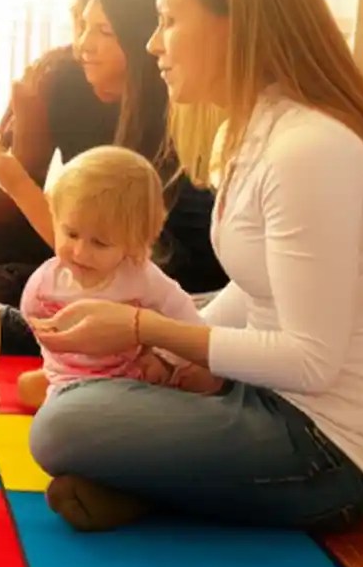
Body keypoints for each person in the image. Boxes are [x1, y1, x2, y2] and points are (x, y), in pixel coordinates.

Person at [23, 0, 363, 533]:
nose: (154, 44)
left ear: (235, 23)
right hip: (258, 396)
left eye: (168, 20)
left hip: (328, 445)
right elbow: (253, 291)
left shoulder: (310, 151)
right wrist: (168, 342)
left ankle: (155, 479)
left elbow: (312, 361)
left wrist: (142, 327)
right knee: (88, 391)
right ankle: (155, 482)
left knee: (62, 424)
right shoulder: (253, 132)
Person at [0, 0, 226, 352]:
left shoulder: (176, 119)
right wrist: (23, 133)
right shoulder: (72, 83)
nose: (81, 45)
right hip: (97, 258)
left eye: (103, 31)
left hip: (164, 286)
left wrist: (10, 174)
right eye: (81, 25)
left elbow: (110, 257)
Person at [15, 146, 219, 409]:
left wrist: (163, 359)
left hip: (128, 381)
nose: (80, 252)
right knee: (32, 393)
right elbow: (32, 316)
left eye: (99, 243)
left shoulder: (141, 278)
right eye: (71, 234)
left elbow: (189, 323)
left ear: (134, 243)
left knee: (201, 379)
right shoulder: (45, 281)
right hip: (66, 380)